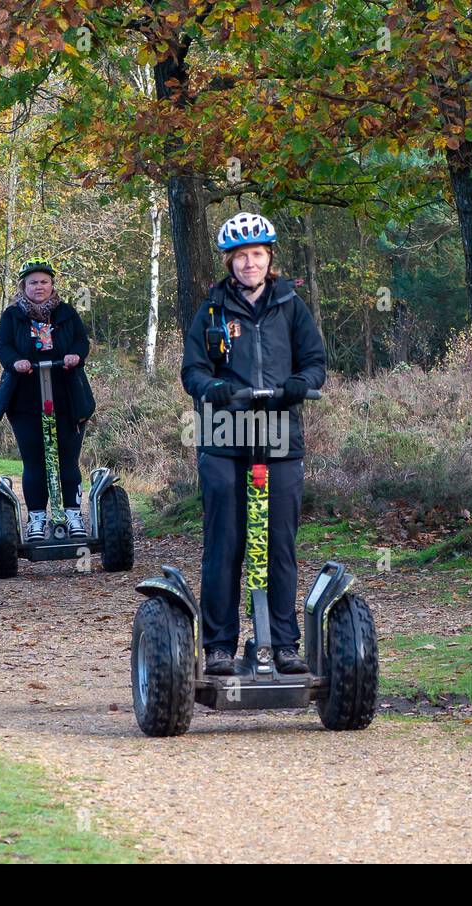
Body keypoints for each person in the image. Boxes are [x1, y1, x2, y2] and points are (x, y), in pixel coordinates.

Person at [181, 212, 326, 676]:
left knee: (279, 542)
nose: (249, 263)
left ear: (270, 258)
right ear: (229, 261)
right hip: (226, 435)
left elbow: (316, 362)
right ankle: (220, 646)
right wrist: (211, 388)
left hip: (279, 432)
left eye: (257, 255)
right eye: (241, 256)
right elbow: (192, 370)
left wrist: (302, 382)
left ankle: (284, 643)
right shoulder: (211, 310)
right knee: (225, 541)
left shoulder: (291, 306)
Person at [0, 258, 95, 540]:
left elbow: (81, 341)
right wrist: (16, 362)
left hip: (66, 396)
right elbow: (3, 346)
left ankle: (73, 517)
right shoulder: (12, 315)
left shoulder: (66, 313)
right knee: (35, 461)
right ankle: (36, 520)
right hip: (25, 399)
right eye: (33, 282)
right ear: (23, 286)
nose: (39, 287)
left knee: (68, 460)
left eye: (43, 282)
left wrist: (76, 355)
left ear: (52, 285)